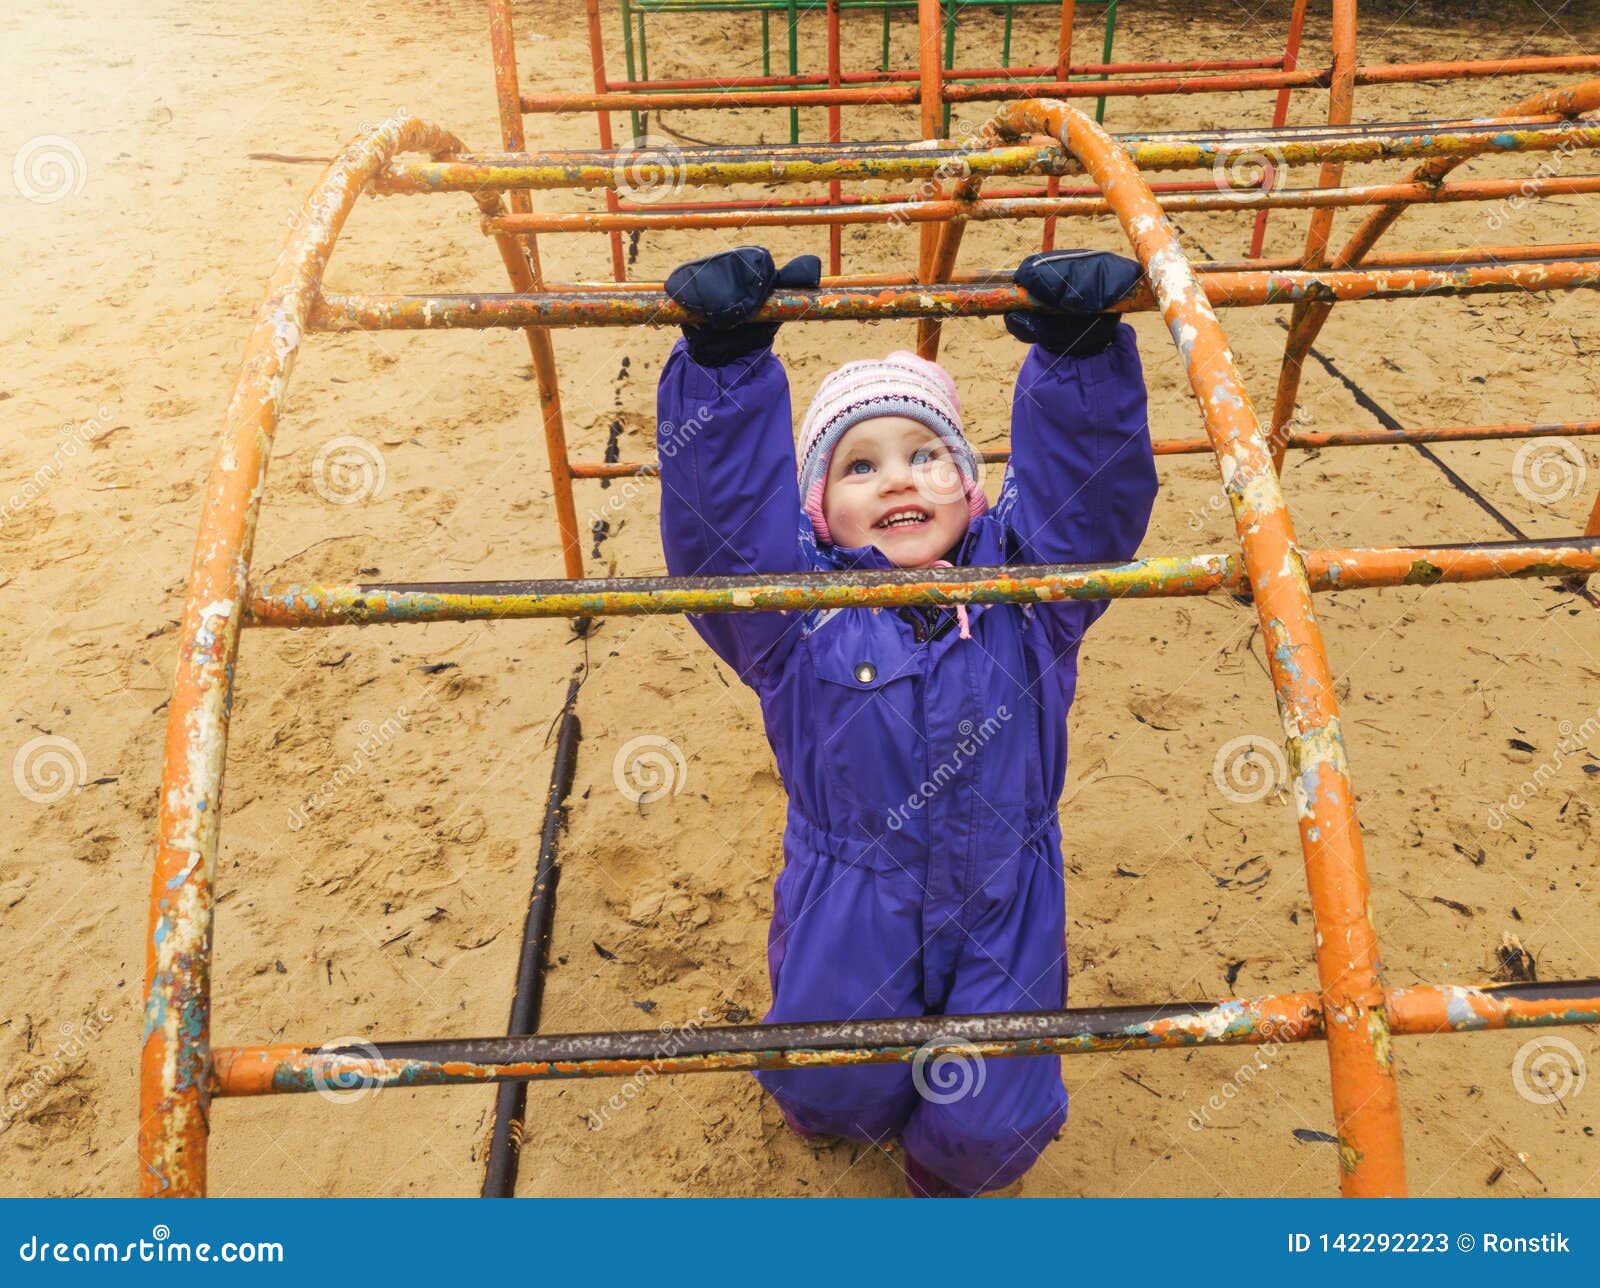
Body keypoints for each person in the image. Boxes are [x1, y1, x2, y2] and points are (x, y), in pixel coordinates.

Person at [655, 244, 1158, 1196]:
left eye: (928, 456)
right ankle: (846, 1103)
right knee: (830, 1090)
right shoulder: (791, 620)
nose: (900, 480)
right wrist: (723, 371)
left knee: (985, 1137)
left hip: (1007, 893)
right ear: (815, 515)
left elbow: (1090, 511)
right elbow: (719, 544)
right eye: (861, 465)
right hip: (850, 890)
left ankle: (948, 1167)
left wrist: (1080, 359)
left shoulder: (1029, 590)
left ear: (972, 489)